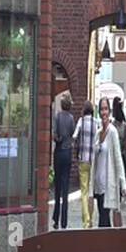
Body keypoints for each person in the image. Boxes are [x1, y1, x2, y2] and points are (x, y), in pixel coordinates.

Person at [92, 97, 126, 228]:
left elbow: (118, 158)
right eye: (101, 109)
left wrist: (123, 184)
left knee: (104, 221)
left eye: (106, 109)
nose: (104, 112)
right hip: (99, 185)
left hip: (109, 184)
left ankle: (105, 246)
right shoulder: (97, 133)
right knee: (102, 218)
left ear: (110, 111)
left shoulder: (113, 132)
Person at [72, 101, 97, 229]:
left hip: (82, 160)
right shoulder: (95, 122)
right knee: (91, 191)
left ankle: (86, 221)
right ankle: (90, 219)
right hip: (93, 160)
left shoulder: (81, 121)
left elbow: (74, 136)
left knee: (84, 191)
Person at [52, 96, 75, 230]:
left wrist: (58, 138)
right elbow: (72, 134)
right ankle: (64, 221)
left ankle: (56, 218)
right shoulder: (71, 118)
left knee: (57, 186)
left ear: (61, 105)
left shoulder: (58, 117)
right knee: (66, 188)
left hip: (59, 152)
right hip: (67, 153)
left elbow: (54, 135)